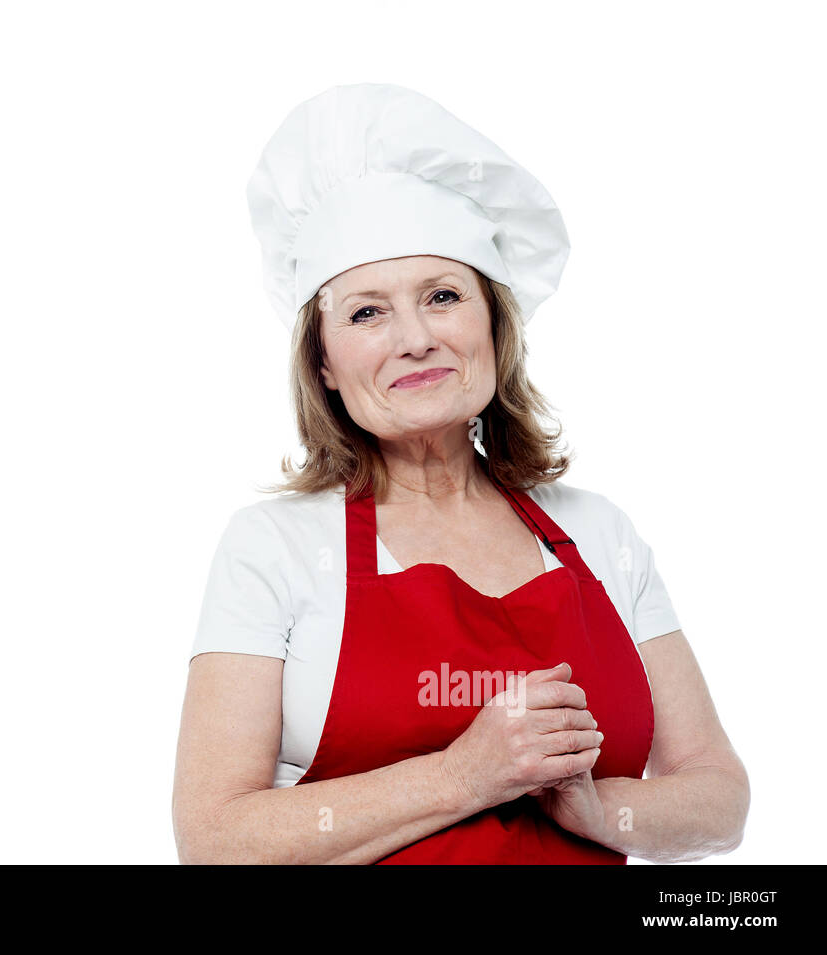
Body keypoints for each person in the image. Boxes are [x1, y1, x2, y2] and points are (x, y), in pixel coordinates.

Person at [171, 83, 749, 865]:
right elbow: (214, 841)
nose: (414, 338)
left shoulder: (598, 532)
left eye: (443, 295)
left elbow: (719, 800)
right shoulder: (272, 547)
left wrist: (600, 808)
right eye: (367, 312)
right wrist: (463, 776)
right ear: (325, 363)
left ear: (492, 324)